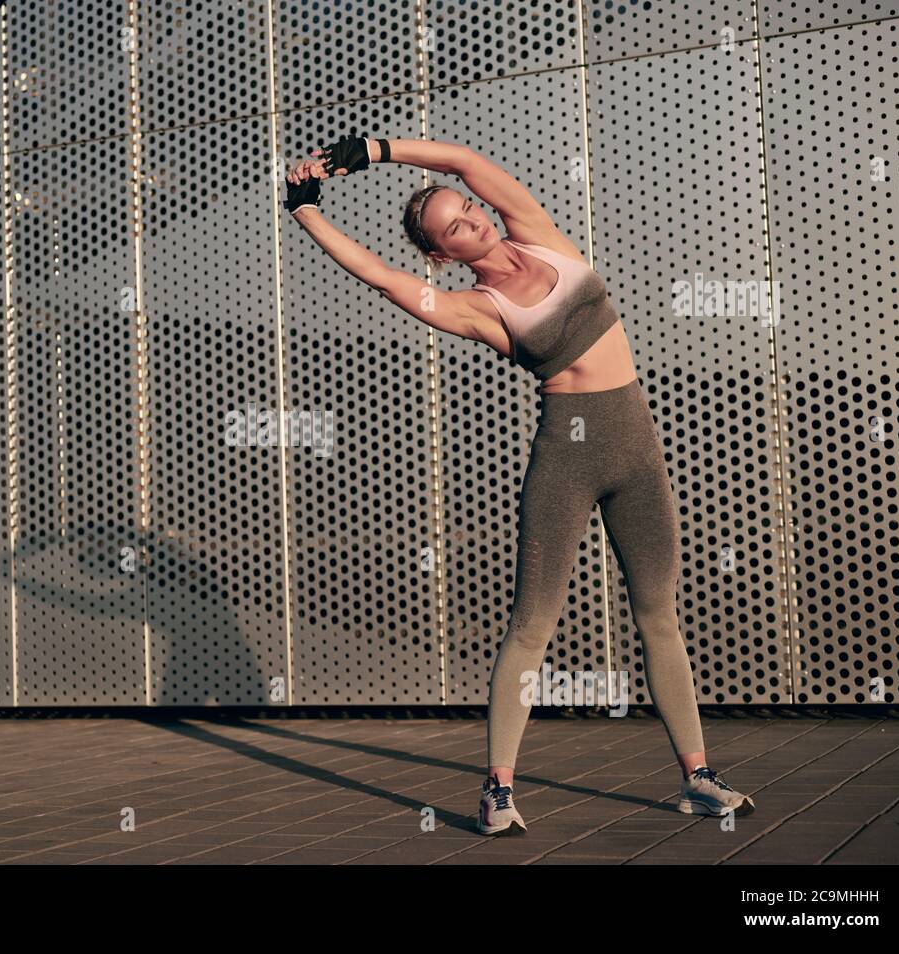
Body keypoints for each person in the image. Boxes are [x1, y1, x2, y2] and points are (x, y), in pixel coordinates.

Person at [285, 136, 755, 836]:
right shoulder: (476, 308)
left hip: (639, 454)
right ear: (442, 254)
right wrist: (306, 210)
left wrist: (371, 150)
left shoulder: (538, 232)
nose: (472, 219)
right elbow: (383, 277)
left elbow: (464, 162)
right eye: (453, 227)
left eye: (467, 210)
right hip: (566, 462)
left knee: (660, 616)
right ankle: (497, 791)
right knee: (531, 626)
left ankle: (697, 779)